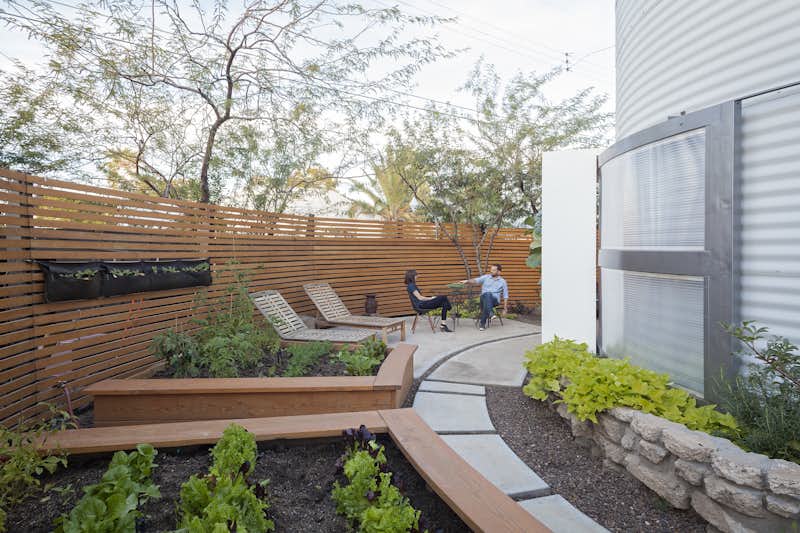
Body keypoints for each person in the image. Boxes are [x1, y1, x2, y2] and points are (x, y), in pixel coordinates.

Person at [461, 264, 508, 331]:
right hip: (483, 299)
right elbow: (476, 280)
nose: (491, 271)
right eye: (491, 269)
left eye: (493, 270)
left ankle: (483, 322)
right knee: (487, 295)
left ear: (499, 272)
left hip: (495, 301)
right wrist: (466, 281)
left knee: (487, 298)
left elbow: (505, 295)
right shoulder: (486, 277)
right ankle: (490, 313)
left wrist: (505, 308)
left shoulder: (503, 282)